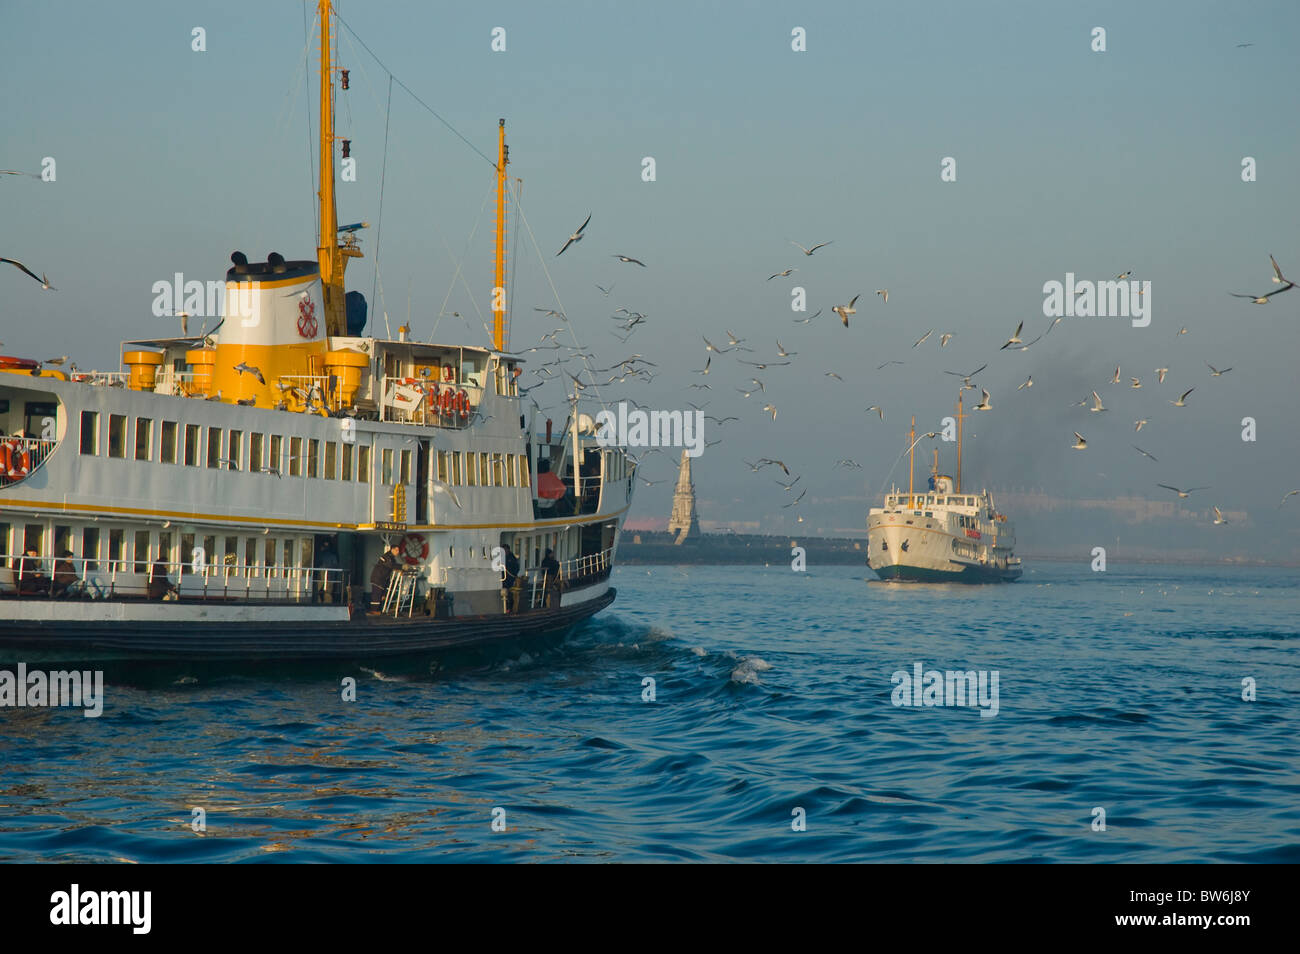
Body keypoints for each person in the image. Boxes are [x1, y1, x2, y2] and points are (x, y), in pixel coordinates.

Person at [370, 542, 402, 610]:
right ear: (392, 550)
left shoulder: (392, 558)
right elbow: (391, 565)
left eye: (398, 550)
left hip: (383, 579)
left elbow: (393, 565)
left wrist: (401, 567)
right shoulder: (387, 557)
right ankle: (374, 611)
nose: (398, 552)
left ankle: (378, 610)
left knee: (381, 596)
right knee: (376, 596)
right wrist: (402, 566)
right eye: (396, 550)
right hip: (378, 579)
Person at [316, 539, 342, 604]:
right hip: (328, 575)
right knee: (327, 590)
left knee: (320, 590)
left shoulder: (321, 555)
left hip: (324, 574)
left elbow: (318, 562)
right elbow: (336, 565)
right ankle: (327, 603)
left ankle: (319, 602)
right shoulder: (332, 556)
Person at [500, 544, 520, 612]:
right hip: (503, 578)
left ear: (508, 550)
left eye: (505, 550)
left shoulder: (512, 558)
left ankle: (509, 608)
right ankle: (506, 608)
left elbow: (516, 568)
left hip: (510, 579)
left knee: (510, 594)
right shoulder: (501, 557)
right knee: (505, 593)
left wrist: (513, 575)